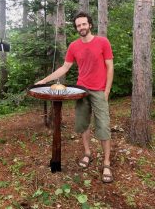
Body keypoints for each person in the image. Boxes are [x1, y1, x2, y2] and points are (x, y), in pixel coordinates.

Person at [36, 11, 114, 183]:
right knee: (82, 124)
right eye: (78, 25)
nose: (81, 27)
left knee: (103, 126)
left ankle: (107, 163)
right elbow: (64, 68)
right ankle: (87, 153)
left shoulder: (103, 42)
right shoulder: (74, 46)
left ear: (90, 25)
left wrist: (107, 91)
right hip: (81, 90)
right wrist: (44, 80)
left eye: (84, 24)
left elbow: (110, 67)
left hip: (99, 91)